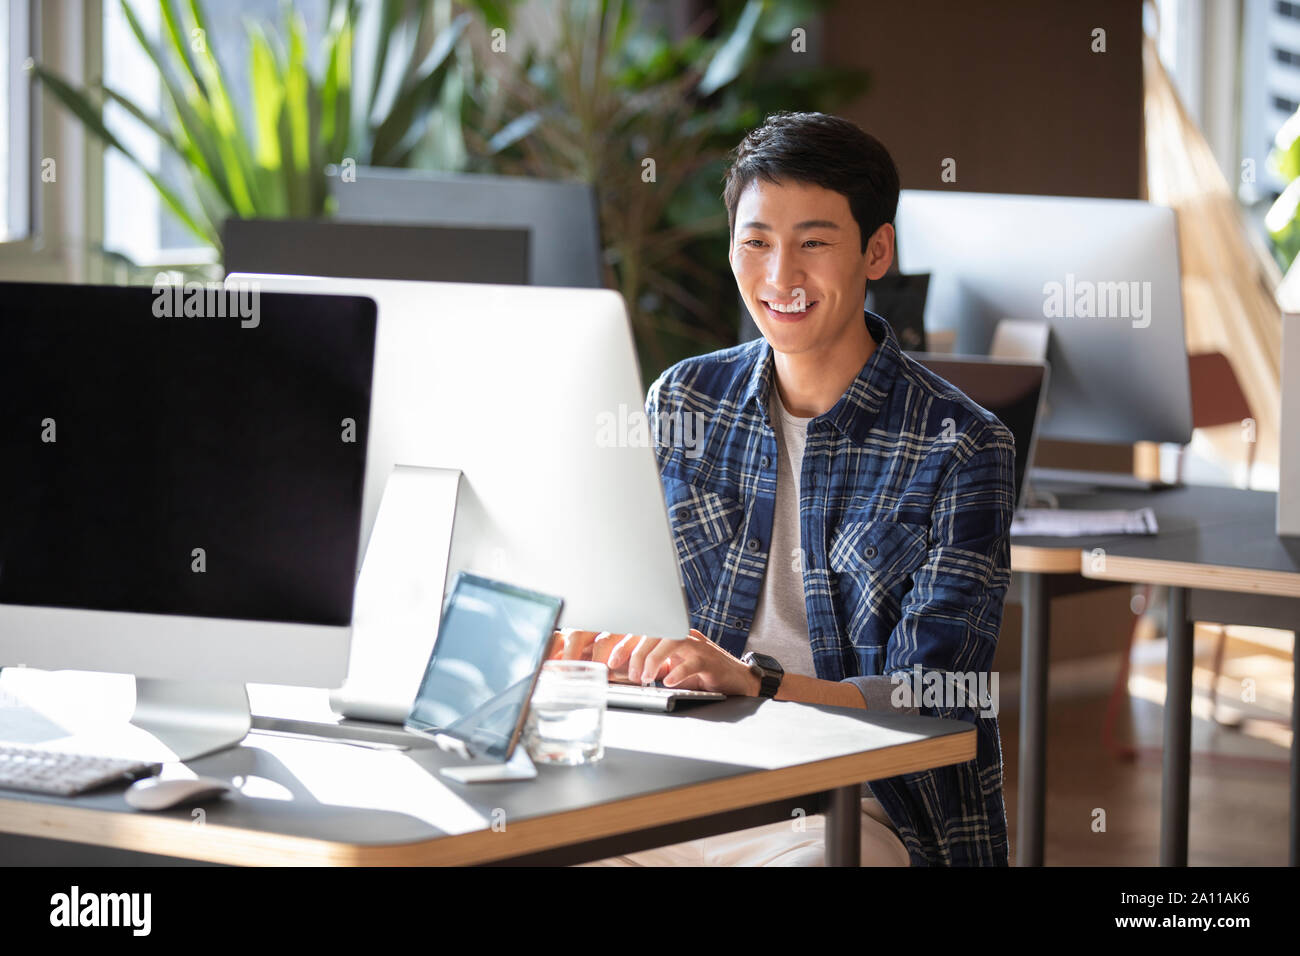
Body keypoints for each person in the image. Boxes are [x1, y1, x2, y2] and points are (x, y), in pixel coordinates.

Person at [553, 111, 1014, 866]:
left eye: (814, 243)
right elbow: (628, 593)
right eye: (757, 241)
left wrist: (754, 684)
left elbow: (934, 698)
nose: (780, 278)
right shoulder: (685, 401)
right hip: (685, 779)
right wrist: (593, 641)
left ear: (876, 252)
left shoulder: (962, 445)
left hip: (862, 806)